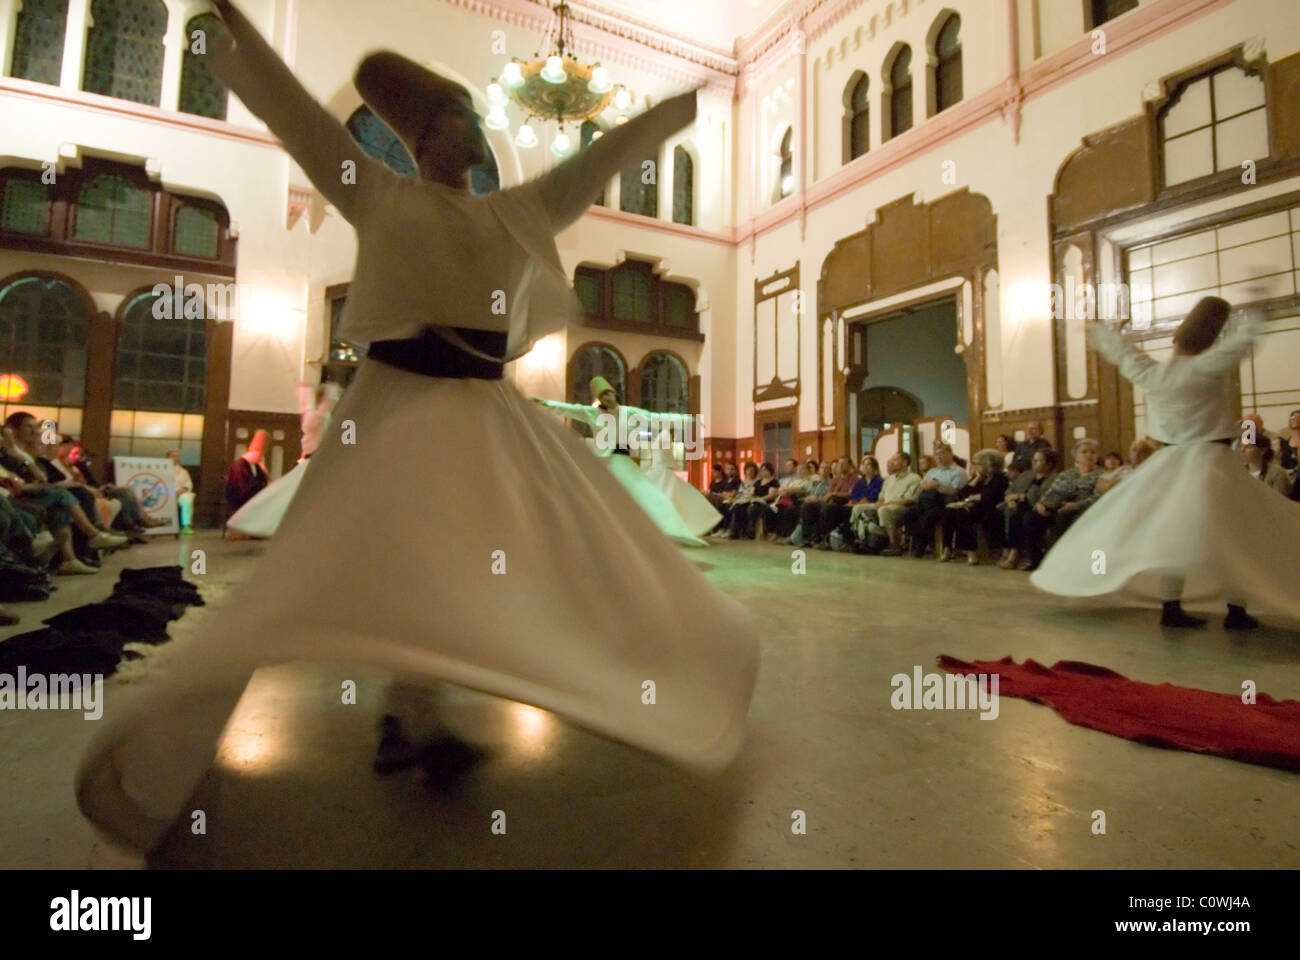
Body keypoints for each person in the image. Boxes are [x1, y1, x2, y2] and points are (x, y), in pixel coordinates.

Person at [76, 1, 755, 855]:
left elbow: (601, 158)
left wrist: (673, 112)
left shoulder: (521, 209)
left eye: (461, 119)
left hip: (484, 411)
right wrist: (226, 30)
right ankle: (253, 738)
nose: (457, 131)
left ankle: (420, 713)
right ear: (427, 139)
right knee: (348, 574)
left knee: (543, 554)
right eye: (446, 121)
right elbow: (289, 108)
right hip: (394, 410)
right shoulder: (379, 192)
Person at [1032, 292, 1300, 628]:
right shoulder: (1206, 366)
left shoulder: (1152, 374)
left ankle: (1171, 606)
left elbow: (1123, 353)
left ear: (1175, 339)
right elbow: (1240, 344)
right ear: (1209, 341)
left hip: (1170, 462)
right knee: (1238, 535)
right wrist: (1259, 310)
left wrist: (1096, 329)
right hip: (1211, 462)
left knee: (1172, 534)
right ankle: (1236, 609)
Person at [536, 377, 716, 547]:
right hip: (604, 463)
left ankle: (670, 529)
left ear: (614, 393)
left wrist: (687, 420)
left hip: (622, 461)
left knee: (647, 494)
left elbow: (657, 417)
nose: (606, 398)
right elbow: (571, 409)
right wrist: (546, 403)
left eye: (608, 393)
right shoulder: (592, 413)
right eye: (602, 396)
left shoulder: (630, 413)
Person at [226, 381, 347, 538]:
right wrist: (314, 394)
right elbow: (315, 415)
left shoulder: (323, 417)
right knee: (283, 498)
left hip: (319, 463)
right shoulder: (314, 417)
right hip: (312, 463)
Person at [168, 450, 196, 534]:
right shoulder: (161, 469)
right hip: (166, 493)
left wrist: (182, 490)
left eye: (177, 456)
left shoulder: (183, 471)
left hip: (180, 493)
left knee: (187, 500)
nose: (176, 458)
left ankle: (186, 526)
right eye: (173, 456)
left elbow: (189, 484)